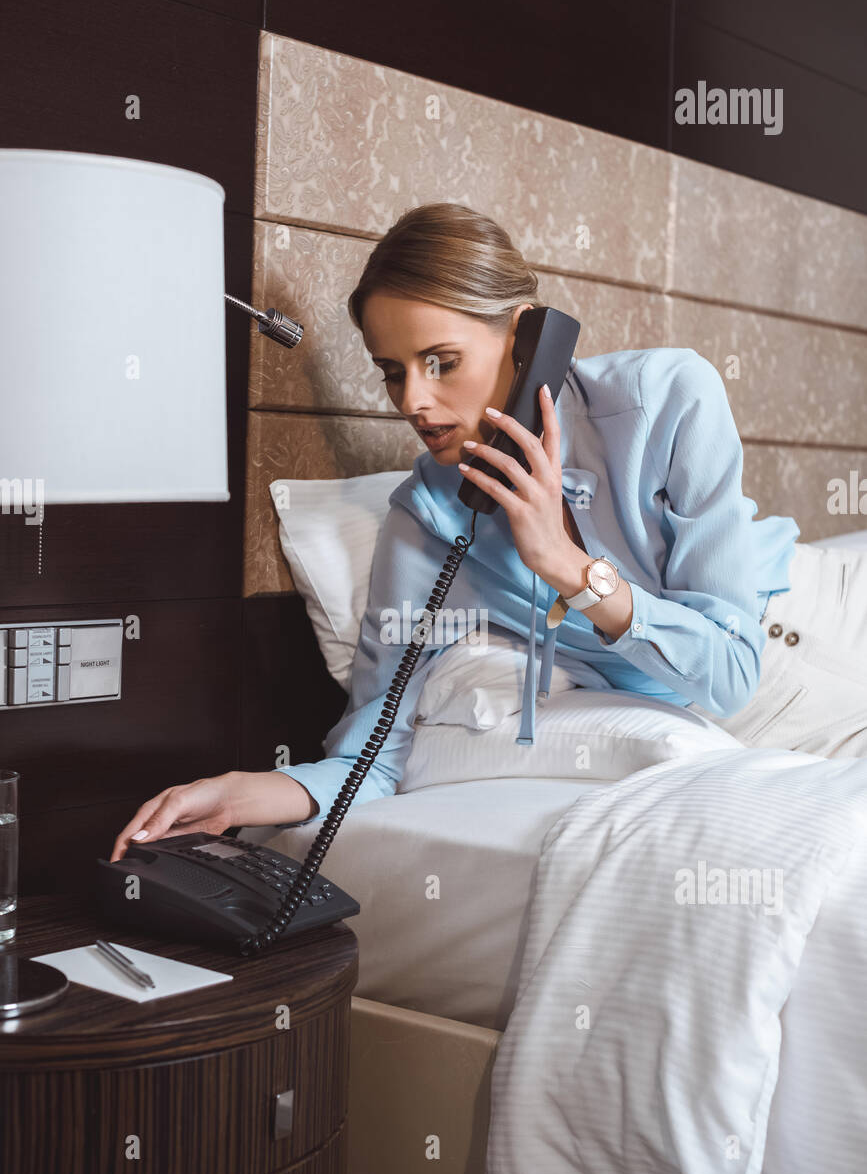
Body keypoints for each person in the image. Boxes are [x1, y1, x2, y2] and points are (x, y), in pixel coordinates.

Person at [110, 202, 864, 863]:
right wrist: (249, 792)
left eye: (441, 362)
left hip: (806, 631)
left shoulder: (664, 400)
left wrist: (567, 566)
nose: (412, 400)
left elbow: (730, 671)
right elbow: (375, 753)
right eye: (390, 370)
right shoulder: (430, 518)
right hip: (695, 709)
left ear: (525, 339)